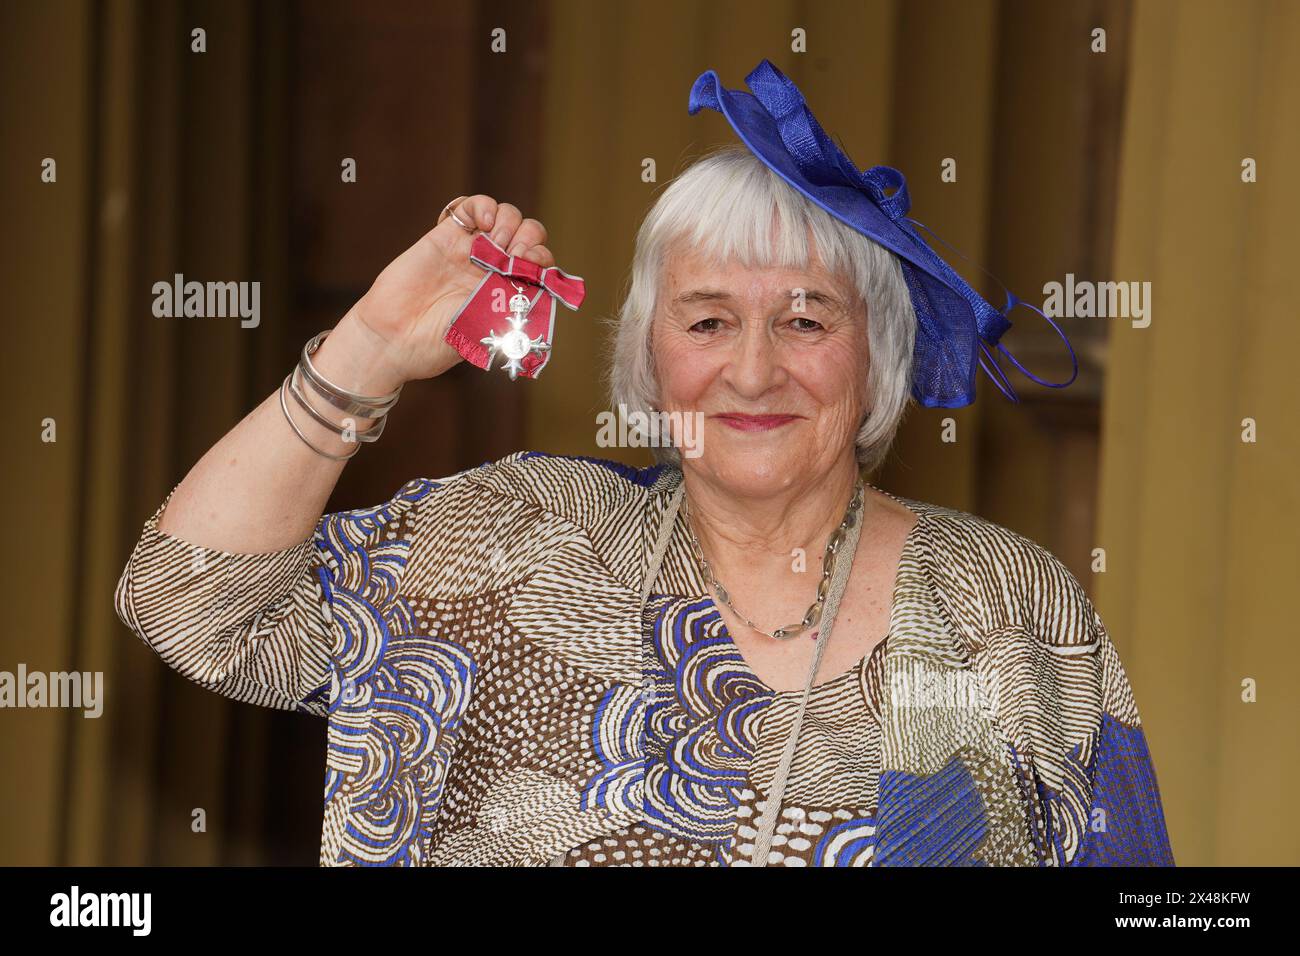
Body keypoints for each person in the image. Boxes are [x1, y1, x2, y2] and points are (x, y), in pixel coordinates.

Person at [114, 61, 1175, 867]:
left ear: (876, 360)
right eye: (707, 320)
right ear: (645, 357)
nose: (752, 371)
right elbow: (191, 604)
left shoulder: (1007, 602)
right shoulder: (518, 536)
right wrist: (373, 345)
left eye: (805, 321)